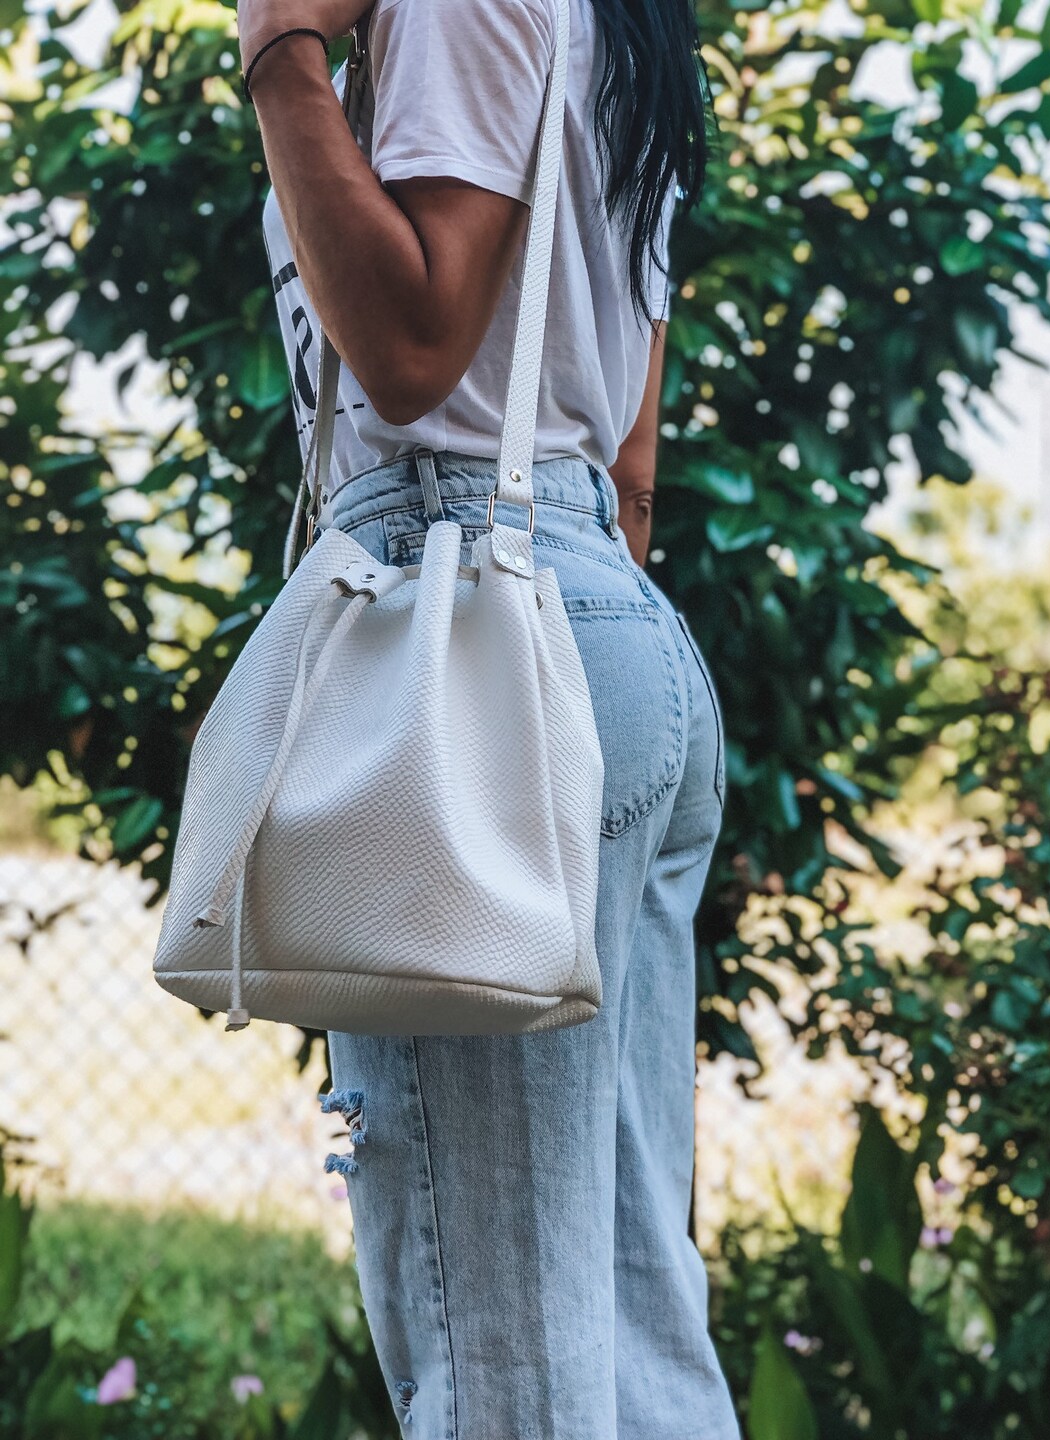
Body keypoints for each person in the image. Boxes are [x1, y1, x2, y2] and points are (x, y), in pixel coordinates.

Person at [240, 0, 738, 1433]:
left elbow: (410, 348)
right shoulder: (616, 23)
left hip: (475, 619)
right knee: (637, 1326)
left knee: (503, 1358)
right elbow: (632, 465)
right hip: (603, 629)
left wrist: (282, 58)